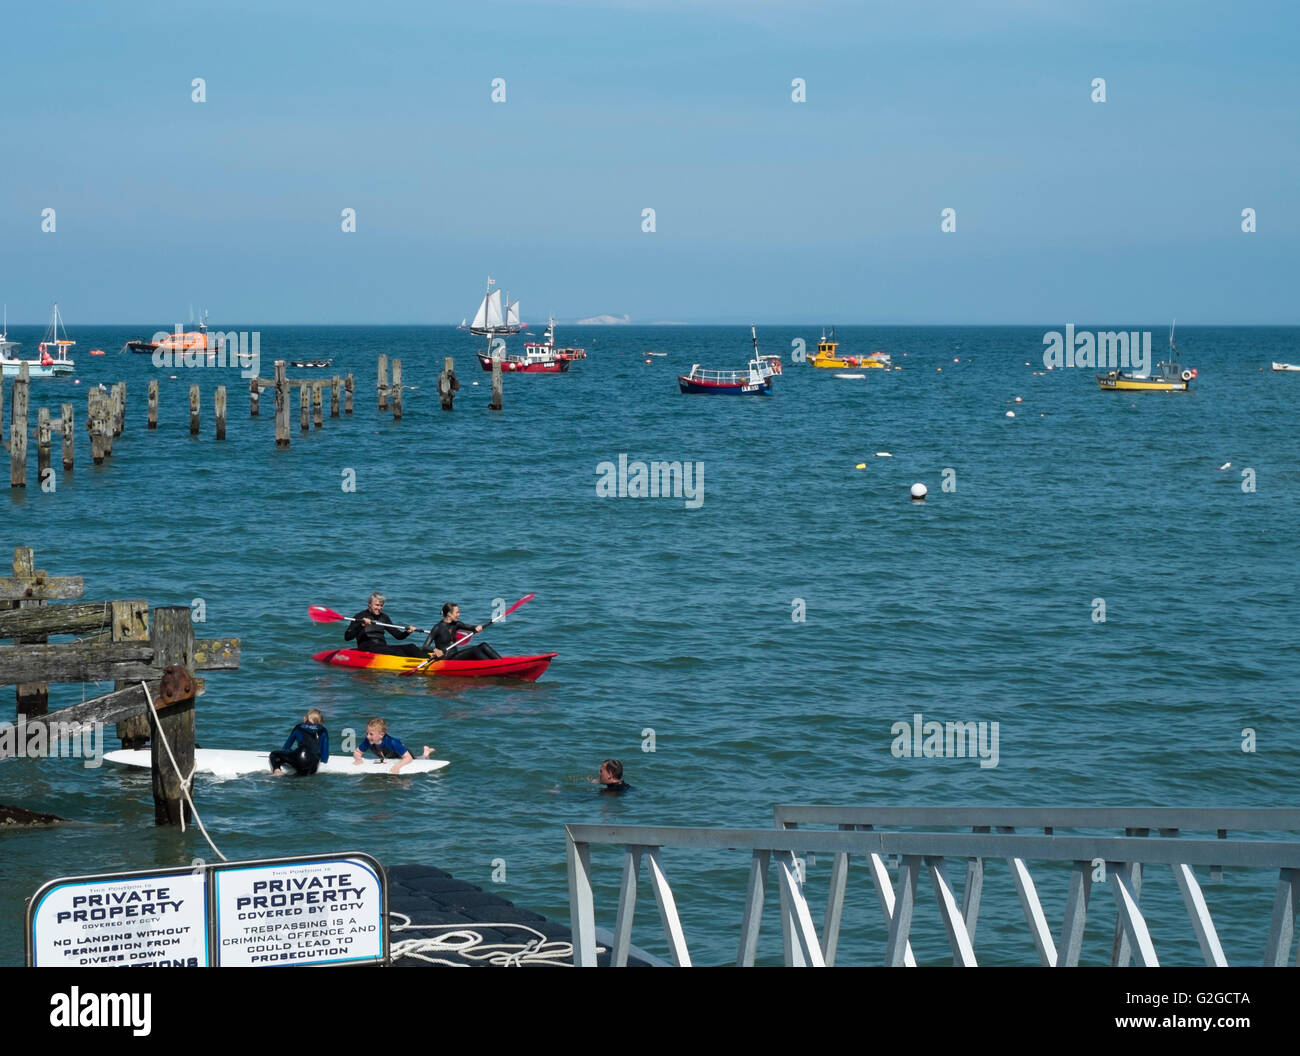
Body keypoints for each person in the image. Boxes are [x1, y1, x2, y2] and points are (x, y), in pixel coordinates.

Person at [345, 592, 424, 657]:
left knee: (411, 647)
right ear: (369, 604)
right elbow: (347, 637)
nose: (379, 608)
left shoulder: (384, 617)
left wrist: (407, 632)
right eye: (377, 605)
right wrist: (361, 625)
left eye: (381, 605)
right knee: (397, 652)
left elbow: (398, 636)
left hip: (382, 647)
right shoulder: (360, 616)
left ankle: (430, 662)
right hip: (367, 648)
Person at [352, 717, 434, 775]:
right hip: (389, 757)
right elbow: (357, 752)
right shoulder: (368, 741)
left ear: (381, 734)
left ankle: (425, 754)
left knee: (416, 760)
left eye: (371, 734)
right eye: (367, 733)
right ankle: (425, 752)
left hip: (403, 754)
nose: (367, 736)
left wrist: (398, 766)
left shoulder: (392, 743)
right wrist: (358, 759)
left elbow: (408, 758)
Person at [426, 602, 502, 661]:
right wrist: (435, 650)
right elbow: (425, 647)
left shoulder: (456, 624)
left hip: (455, 655)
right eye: (457, 612)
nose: (459, 614)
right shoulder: (437, 628)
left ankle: (500, 662)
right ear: (449, 614)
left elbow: (469, 627)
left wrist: (476, 627)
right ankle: (492, 666)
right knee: (475, 650)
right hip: (447, 659)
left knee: (483, 645)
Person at [270, 709, 329, 776]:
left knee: (274, 754)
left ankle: (277, 770)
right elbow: (325, 756)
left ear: (306, 718)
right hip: (313, 765)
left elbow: (286, 747)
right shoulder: (323, 730)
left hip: (298, 760)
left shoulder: (299, 727)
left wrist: (289, 753)